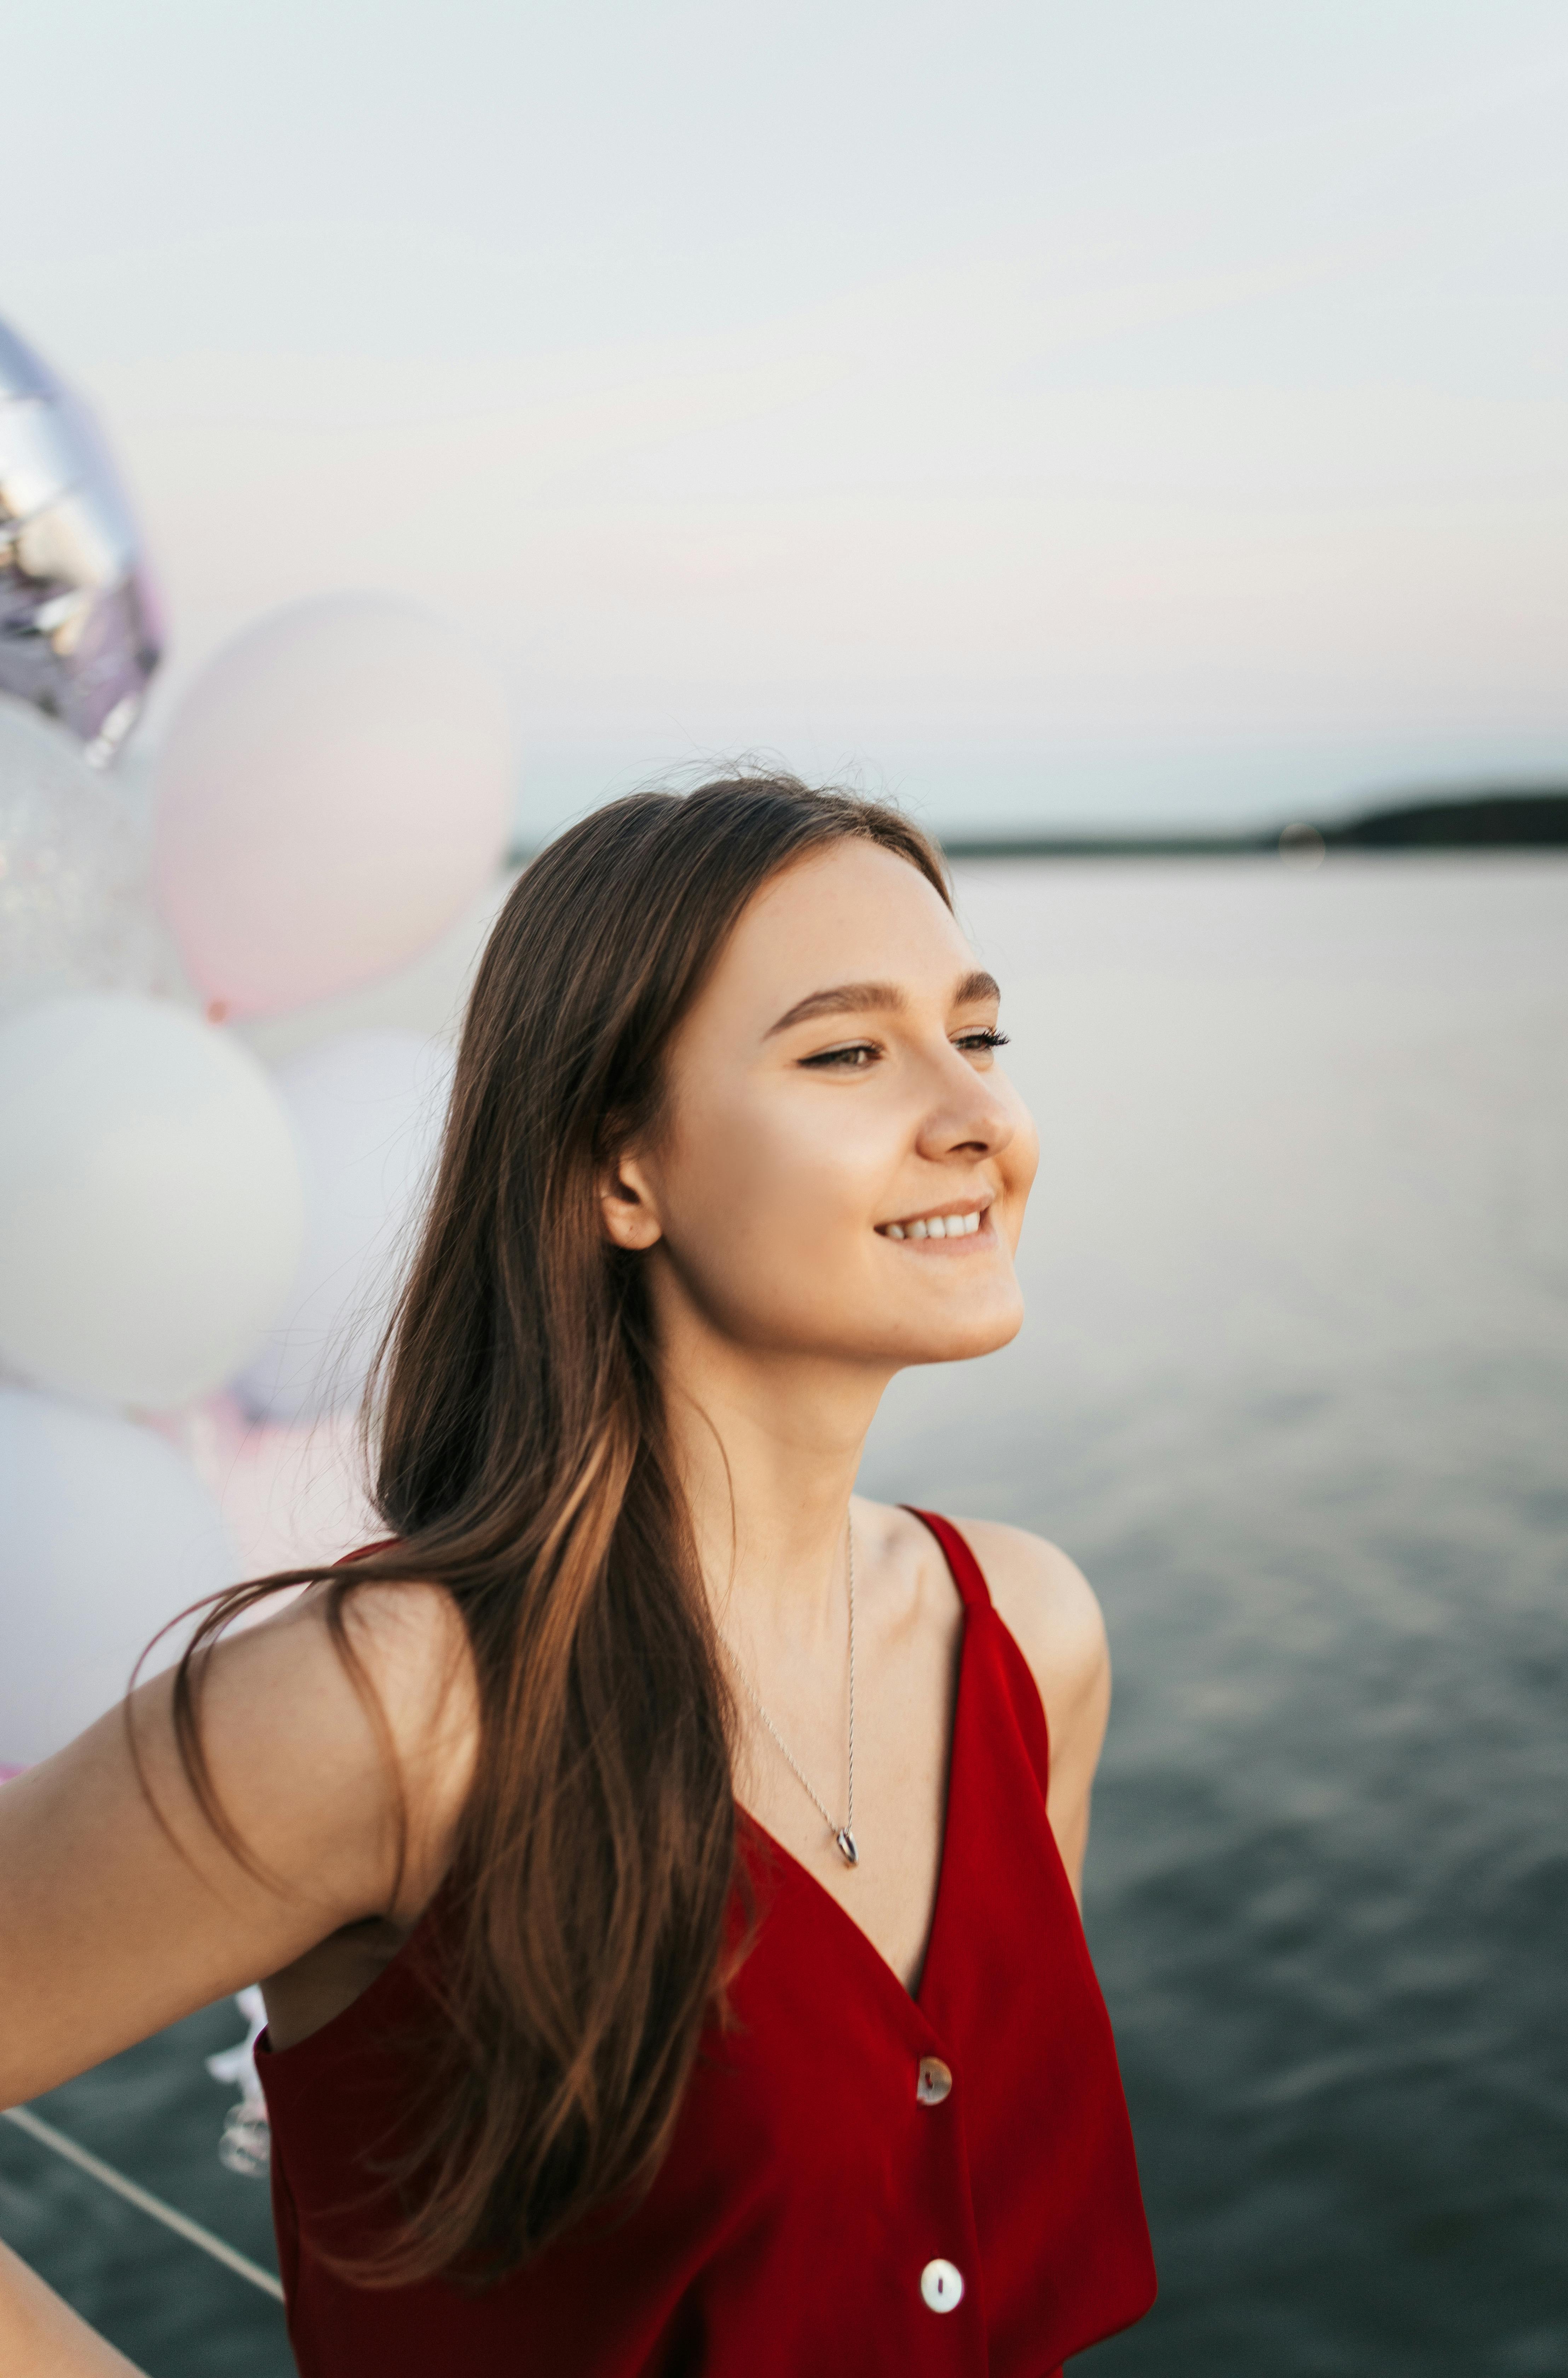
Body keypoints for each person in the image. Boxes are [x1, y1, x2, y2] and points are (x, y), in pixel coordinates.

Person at [0, 774, 1155, 2375]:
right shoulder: (392, 1706)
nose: (975, 1113)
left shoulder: (1030, 1635)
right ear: (622, 1172)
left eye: (980, 1036)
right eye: (845, 1051)